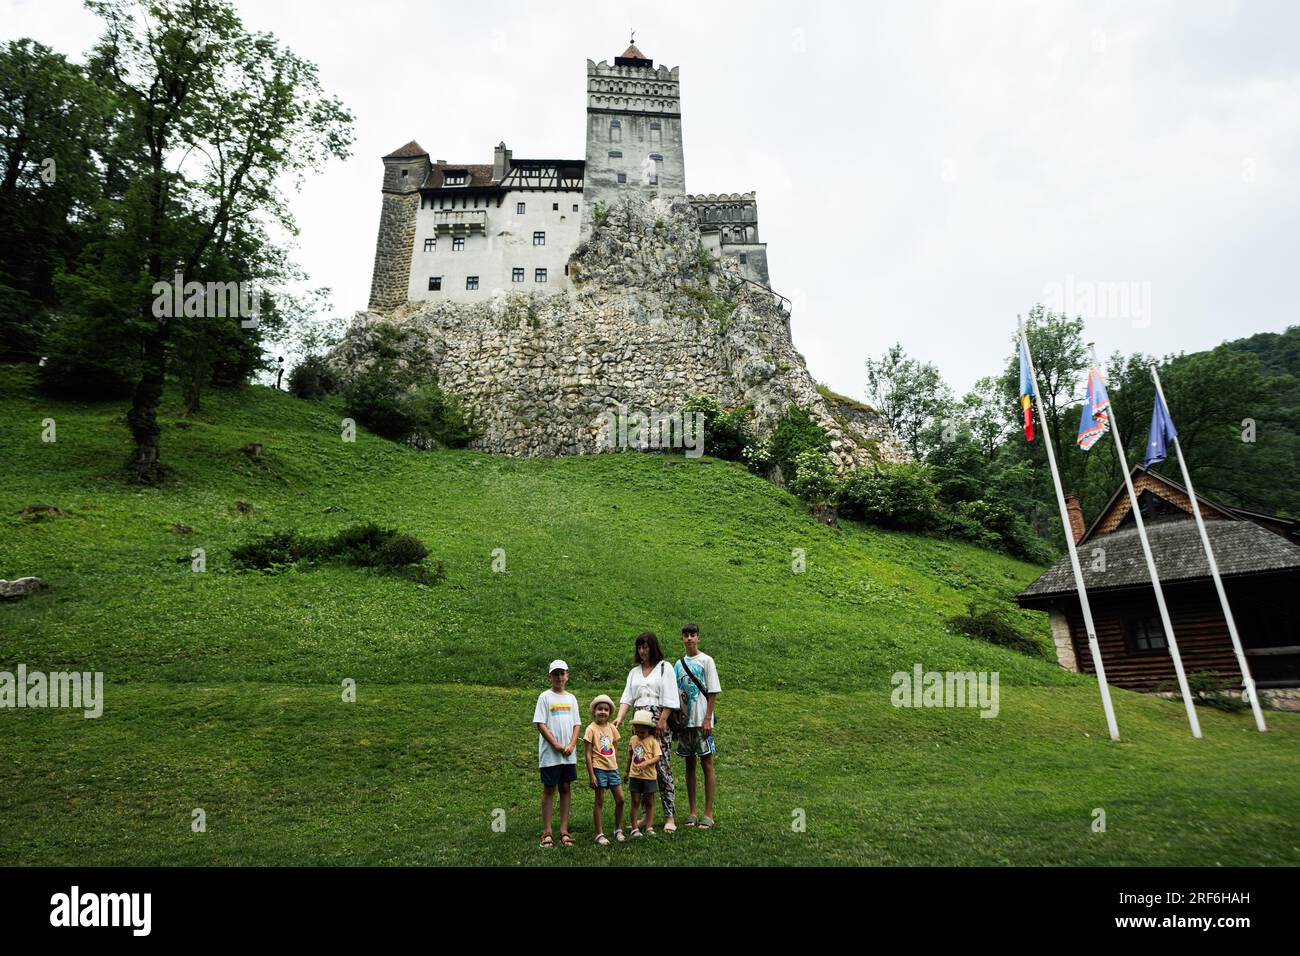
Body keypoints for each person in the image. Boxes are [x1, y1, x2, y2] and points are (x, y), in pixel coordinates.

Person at [614, 631, 681, 833]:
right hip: (639, 721)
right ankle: (645, 815)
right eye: (639, 648)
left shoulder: (664, 668)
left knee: (662, 766)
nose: (642, 651)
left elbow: (670, 697)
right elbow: (628, 697)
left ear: (653, 647)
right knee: (641, 767)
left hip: (659, 719)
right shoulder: (634, 672)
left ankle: (669, 815)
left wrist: (662, 720)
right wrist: (620, 717)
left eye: (646, 647)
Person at [674, 623, 721, 828]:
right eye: (686, 635)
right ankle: (692, 812)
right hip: (685, 724)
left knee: (707, 763)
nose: (690, 639)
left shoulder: (706, 661)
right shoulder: (678, 664)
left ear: (698, 638)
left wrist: (708, 718)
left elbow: (712, 691)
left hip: (702, 721)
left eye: (693, 635)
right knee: (689, 765)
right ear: (682, 639)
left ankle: (708, 813)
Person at [533, 659, 580, 847]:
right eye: (556, 674)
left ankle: (563, 830)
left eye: (563, 673)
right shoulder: (545, 697)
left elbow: (577, 724)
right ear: (549, 676)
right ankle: (547, 831)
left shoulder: (571, 698)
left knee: (566, 788)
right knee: (549, 789)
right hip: (551, 753)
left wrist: (571, 744)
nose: (559, 677)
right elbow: (540, 724)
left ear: (567, 676)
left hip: (568, 753)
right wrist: (556, 745)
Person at [584, 694, 625, 844]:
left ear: (610, 713)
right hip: (599, 769)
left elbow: (614, 747)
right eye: (600, 709)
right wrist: (591, 775)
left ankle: (618, 829)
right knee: (599, 801)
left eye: (606, 710)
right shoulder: (590, 729)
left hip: (612, 769)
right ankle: (599, 833)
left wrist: (616, 764)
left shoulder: (612, 728)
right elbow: (587, 753)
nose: (603, 712)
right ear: (594, 711)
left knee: (620, 799)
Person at [625, 710, 662, 837]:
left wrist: (647, 763)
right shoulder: (633, 739)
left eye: (643, 732)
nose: (640, 734)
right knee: (635, 801)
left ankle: (649, 827)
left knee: (649, 802)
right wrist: (626, 772)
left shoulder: (653, 741)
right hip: (635, 776)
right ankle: (634, 828)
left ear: (648, 730)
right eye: (637, 731)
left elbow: (657, 757)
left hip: (649, 777)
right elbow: (630, 756)